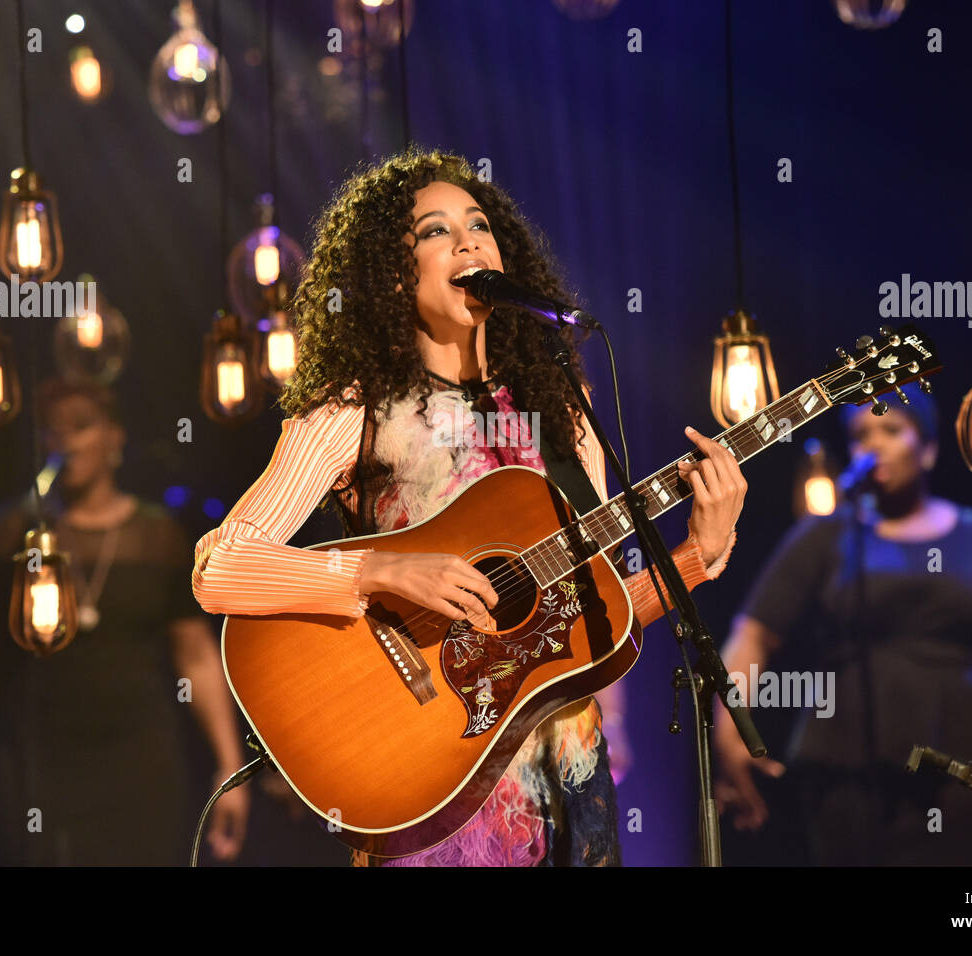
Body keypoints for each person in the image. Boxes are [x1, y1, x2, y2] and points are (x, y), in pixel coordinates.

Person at [191, 145, 747, 867]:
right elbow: (219, 567)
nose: (467, 242)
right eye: (434, 231)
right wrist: (383, 572)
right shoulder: (355, 410)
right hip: (431, 800)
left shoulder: (560, 411)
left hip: (571, 792)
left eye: (479, 225)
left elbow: (595, 624)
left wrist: (694, 560)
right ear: (396, 274)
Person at [0, 378, 249, 865]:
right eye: (51, 430)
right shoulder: (16, 530)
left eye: (81, 426)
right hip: (41, 761)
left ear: (116, 436)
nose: (64, 441)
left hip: (140, 763)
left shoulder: (158, 535)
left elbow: (195, 655)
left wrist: (229, 766)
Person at [714, 383, 972, 865]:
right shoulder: (827, 533)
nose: (873, 444)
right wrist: (730, 733)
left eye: (892, 429)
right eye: (860, 436)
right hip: (846, 768)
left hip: (966, 762)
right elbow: (752, 633)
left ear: (930, 448)